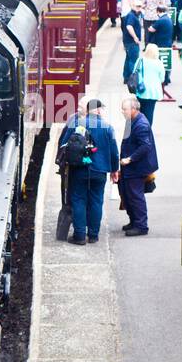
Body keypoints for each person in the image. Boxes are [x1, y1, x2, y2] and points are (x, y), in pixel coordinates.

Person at [58, 99, 120, 244]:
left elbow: (63, 145)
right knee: (96, 201)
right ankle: (93, 235)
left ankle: (79, 236)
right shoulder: (108, 127)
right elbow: (114, 152)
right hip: (100, 170)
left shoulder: (76, 124)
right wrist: (114, 170)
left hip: (79, 169)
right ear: (98, 110)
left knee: (78, 200)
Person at [118, 96, 158, 236]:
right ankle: (134, 221)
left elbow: (145, 146)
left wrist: (130, 158)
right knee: (128, 194)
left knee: (136, 195)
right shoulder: (132, 120)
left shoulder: (140, 125)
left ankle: (141, 225)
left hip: (136, 167)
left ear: (134, 109)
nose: (122, 112)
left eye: (125, 109)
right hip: (129, 166)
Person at [145, 4, 175, 101]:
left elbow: (151, 29)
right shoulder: (168, 19)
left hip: (161, 44)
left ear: (158, 11)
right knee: (167, 62)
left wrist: (149, 26)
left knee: (162, 63)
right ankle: (167, 78)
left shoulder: (161, 20)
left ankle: (164, 80)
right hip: (167, 42)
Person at [132, 42, 165, 125]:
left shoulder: (140, 60)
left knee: (140, 112)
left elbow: (134, 72)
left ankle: (139, 128)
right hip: (153, 92)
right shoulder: (158, 63)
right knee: (149, 113)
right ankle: (146, 130)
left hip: (141, 90)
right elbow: (162, 78)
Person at [121, 0, 144, 82]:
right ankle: (132, 79)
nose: (139, 8)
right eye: (137, 6)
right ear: (132, 6)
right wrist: (135, 37)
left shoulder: (132, 15)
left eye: (140, 6)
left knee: (128, 59)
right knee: (133, 60)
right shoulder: (132, 16)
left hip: (128, 41)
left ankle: (126, 77)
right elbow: (129, 26)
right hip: (131, 42)